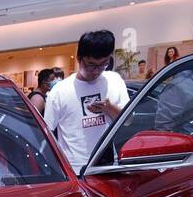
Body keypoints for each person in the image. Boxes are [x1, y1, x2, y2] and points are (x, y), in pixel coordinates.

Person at [44, 31, 130, 172]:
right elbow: (47, 134)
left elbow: (127, 121)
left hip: (109, 166)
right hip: (75, 170)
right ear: (79, 59)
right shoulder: (60, 92)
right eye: (91, 65)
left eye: (103, 64)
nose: (96, 71)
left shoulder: (114, 81)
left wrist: (108, 108)